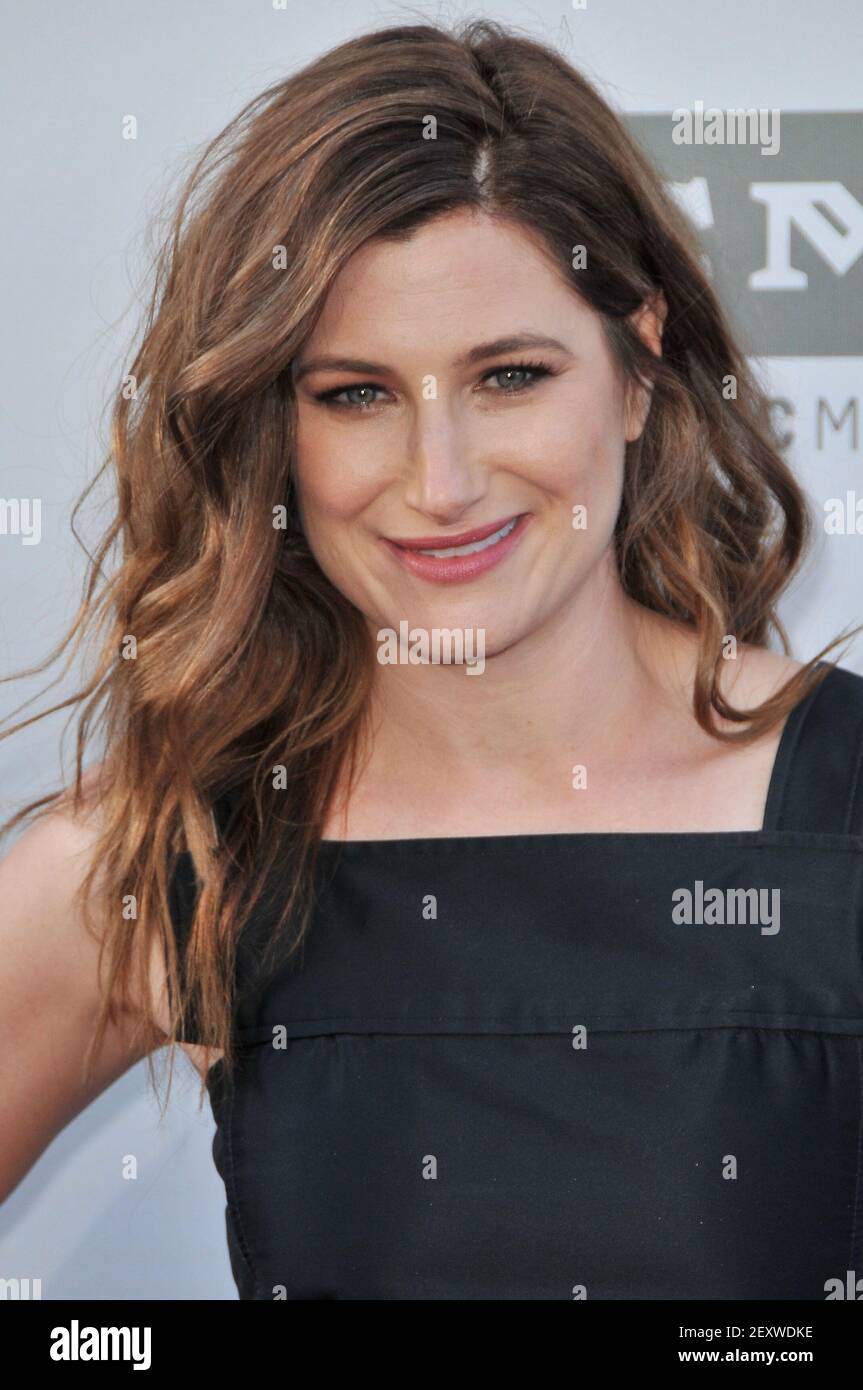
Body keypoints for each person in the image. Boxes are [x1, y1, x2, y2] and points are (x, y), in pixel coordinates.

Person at [2, 19, 862, 1301]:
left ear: (634, 368)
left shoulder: (840, 814)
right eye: (354, 393)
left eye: (508, 376)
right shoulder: (164, 856)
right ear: (270, 428)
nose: (439, 481)